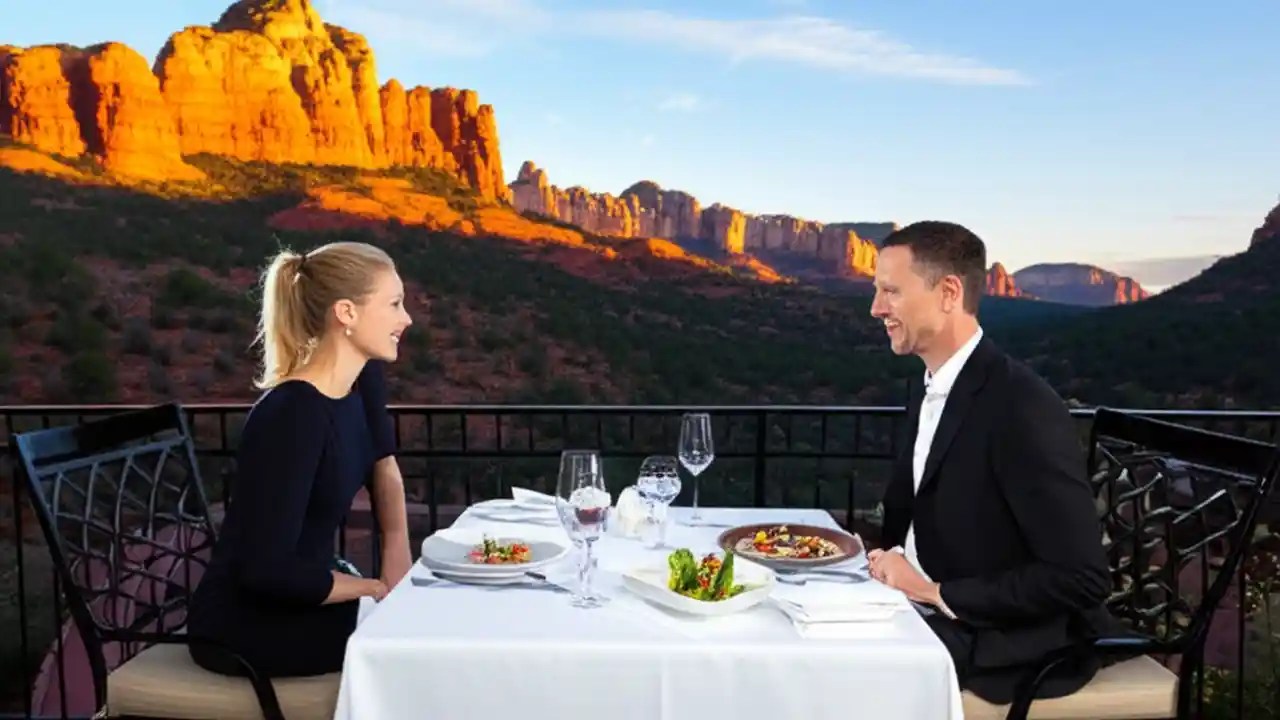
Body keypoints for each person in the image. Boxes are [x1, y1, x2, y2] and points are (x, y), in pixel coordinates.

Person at [865, 220, 1117, 703]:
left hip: (995, 640)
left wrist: (933, 591)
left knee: (823, 673)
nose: (876, 308)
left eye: (890, 291)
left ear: (948, 292)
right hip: (910, 605)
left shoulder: (1021, 406)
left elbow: (1081, 577)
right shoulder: (927, 387)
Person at [188, 240, 415, 678]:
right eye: (394, 304)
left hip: (303, 599)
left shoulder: (362, 380)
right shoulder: (292, 415)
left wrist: (396, 566)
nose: (406, 319)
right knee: (415, 652)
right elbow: (266, 572)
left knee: (423, 630)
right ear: (346, 313)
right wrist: (372, 588)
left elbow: (383, 463)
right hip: (247, 626)